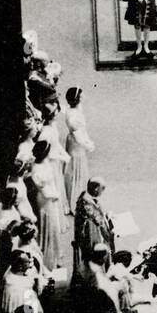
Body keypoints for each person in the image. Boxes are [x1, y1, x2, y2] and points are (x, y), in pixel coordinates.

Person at [27, 140, 62, 272]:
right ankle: (48, 259)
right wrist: (54, 195)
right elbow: (41, 189)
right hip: (45, 198)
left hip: (51, 195)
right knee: (48, 224)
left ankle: (55, 255)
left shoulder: (45, 162)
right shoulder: (36, 170)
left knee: (53, 226)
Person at [72, 177, 114, 283]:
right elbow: (98, 221)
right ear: (95, 189)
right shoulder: (86, 203)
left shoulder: (86, 197)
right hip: (90, 236)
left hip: (92, 233)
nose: (103, 191)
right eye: (102, 188)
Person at [62, 87, 94, 216]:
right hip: (76, 145)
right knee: (76, 171)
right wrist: (89, 145)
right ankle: (75, 202)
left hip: (73, 142)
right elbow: (79, 137)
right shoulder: (73, 117)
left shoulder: (73, 110)